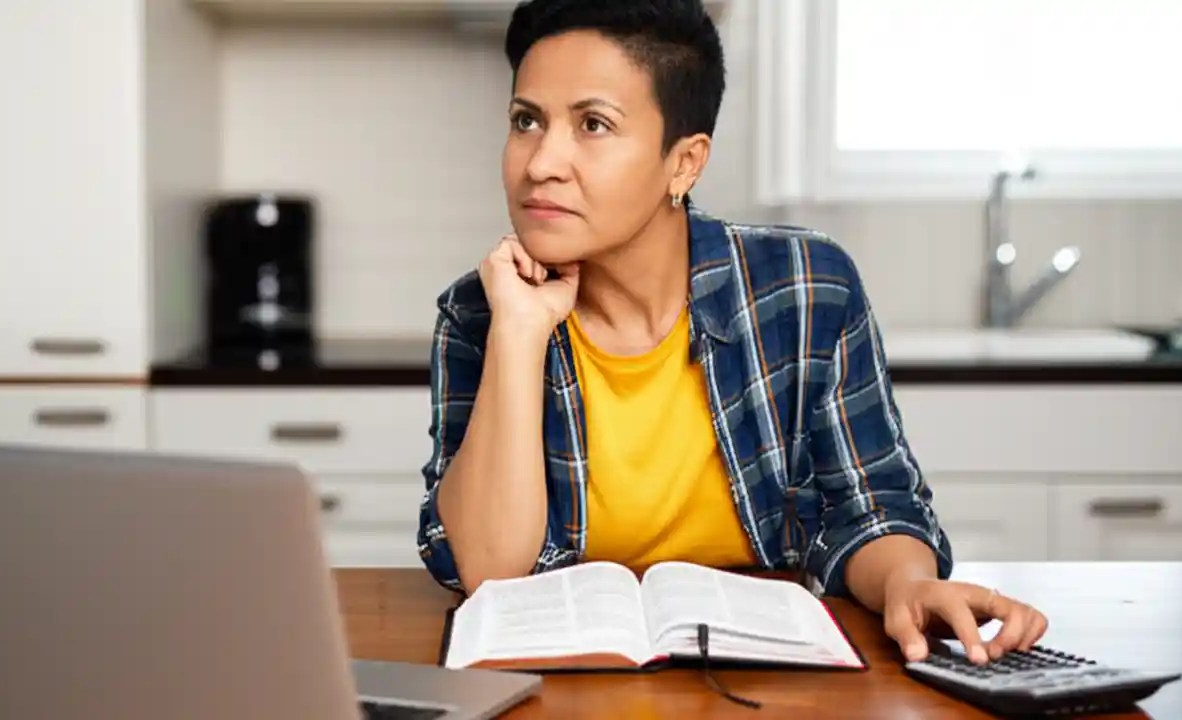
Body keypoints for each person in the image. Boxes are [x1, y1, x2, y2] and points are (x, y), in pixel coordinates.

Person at [417, 0, 1047, 666]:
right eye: (526, 121)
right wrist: (518, 331)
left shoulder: (807, 286)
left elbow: (867, 505)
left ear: (684, 163)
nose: (541, 162)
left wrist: (910, 584)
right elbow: (487, 572)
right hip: (568, 684)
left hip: (774, 683)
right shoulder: (482, 311)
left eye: (593, 124)